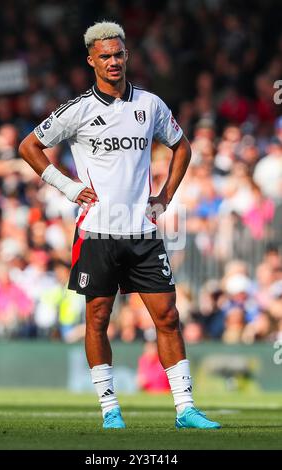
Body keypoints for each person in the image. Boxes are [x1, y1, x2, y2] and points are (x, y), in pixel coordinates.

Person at [19, 21, 220, 430]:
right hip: (97, 233)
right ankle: (110, 409)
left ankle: (185, 409)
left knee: (168, 317)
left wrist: (164, 197)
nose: (113, 61)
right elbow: (29, 146)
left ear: (127, 55)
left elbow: (182, 146)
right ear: (91, 60)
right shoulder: (77, 110)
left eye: (119, 54)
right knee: (97, 319)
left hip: (142, 232)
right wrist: (68, 187)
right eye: (105, 56)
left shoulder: (150, 105)